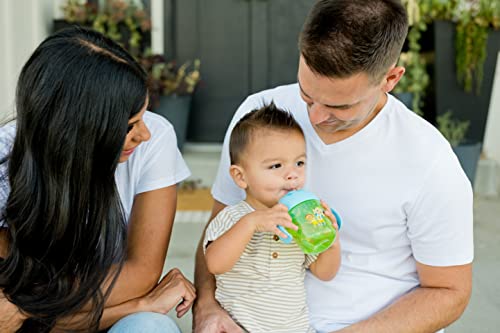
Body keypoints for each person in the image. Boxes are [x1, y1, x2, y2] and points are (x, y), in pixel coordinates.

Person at [193, 0, 473, 332]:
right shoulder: (260, 116)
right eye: (307, 94)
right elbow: (218, 230)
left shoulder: (430, 161)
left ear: (391, 78)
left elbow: (449, 291)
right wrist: (207, 307)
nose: (314, 117)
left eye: (338, 106)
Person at [0, 27, 195, 332]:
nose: (144, 134)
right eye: (130, 125)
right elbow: (8, 317)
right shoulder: (5, 166)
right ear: (81, 129)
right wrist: (26, 308)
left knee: (150, 326)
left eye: (143, 117)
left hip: (101, 316)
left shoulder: (155, 140)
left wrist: (28, 304)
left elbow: (141, 274)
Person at [203, 103, 341, 332]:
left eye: (299, 163)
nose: (292, 173)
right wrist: (252, 223)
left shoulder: (300, 220)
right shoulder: (234, 217)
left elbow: (325, 273)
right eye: (276, 165)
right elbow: (215, 264)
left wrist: (331, 242)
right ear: (240, 176)